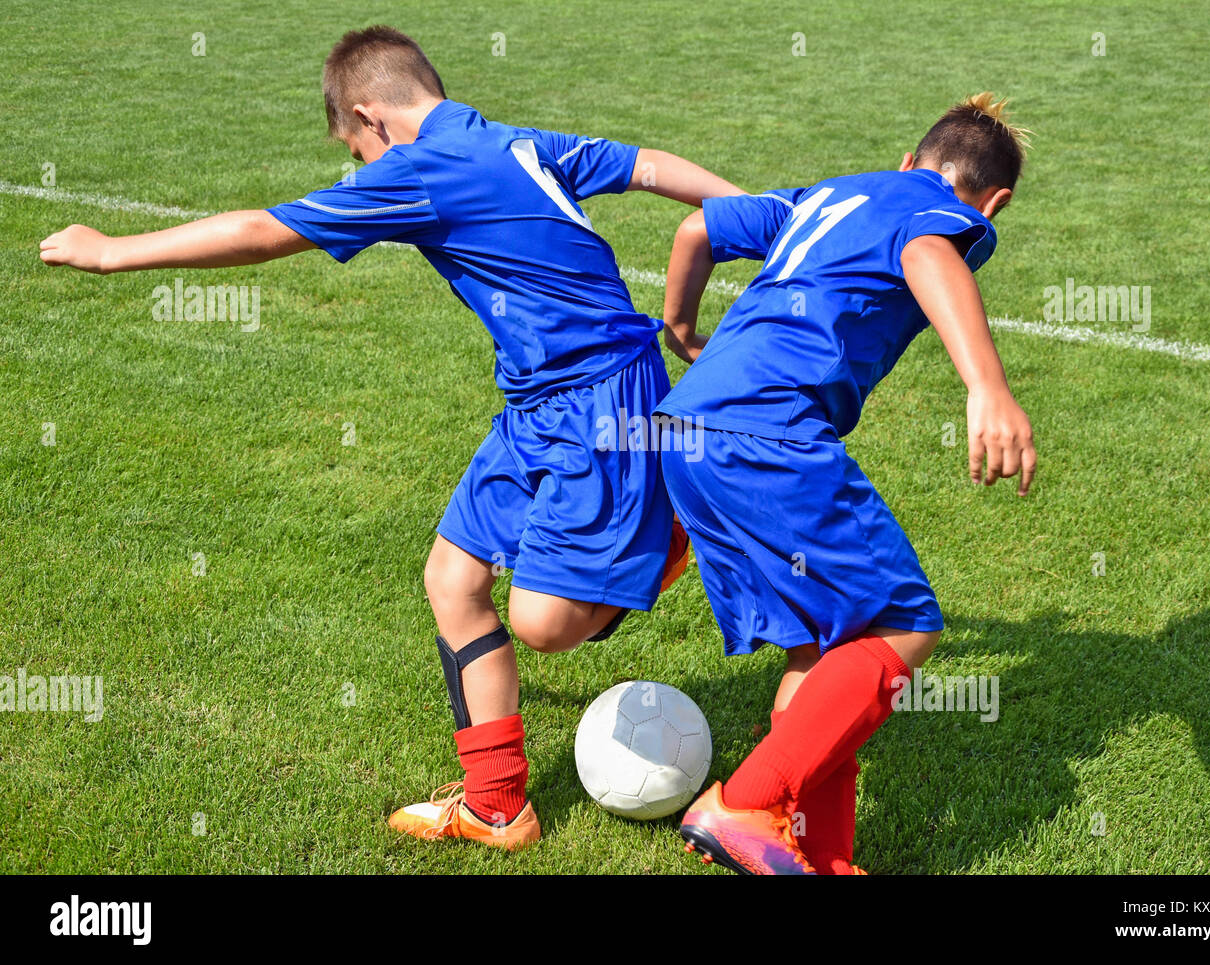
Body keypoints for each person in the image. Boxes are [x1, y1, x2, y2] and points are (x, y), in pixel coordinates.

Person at [39, 24, 742, 850]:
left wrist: (111, 251)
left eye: (356, 151)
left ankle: (673, 521)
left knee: (548, 625)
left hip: (601, 406)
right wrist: (753, 204)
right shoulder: (511, 142)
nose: (364, 171)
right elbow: (649, 166)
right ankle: (497, 806)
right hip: (534, 403)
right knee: (451, 578)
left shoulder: (421, 168)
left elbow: (263, 230)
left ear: (372, 118)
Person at [652, 94, 1036, 873]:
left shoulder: (826, 194)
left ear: (907, 158)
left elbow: (696, 226)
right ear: (993, 202)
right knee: (905, 622)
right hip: (768, 432)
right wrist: (987, 385)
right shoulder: (942, 215)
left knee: (822, 643)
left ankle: (820, 855)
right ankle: (749, 802)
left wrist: (682, 328)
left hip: (684, 427)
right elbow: (929, 256)